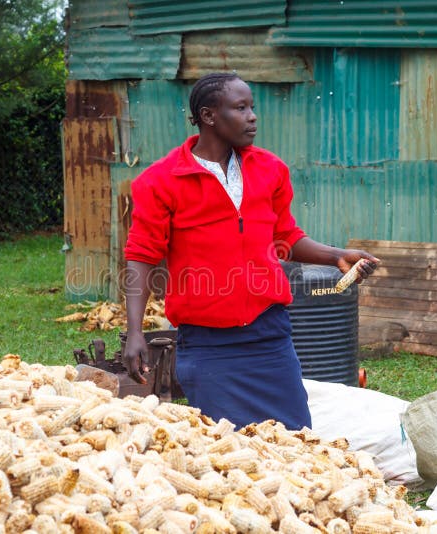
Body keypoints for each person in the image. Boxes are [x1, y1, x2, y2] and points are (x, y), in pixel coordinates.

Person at [123, 72, 379, 430]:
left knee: (295, 440)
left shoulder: (269, 170)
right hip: (208, 344)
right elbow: (142, 255)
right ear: (209, 115)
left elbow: (285, 235)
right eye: (240, 108)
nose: (252, 116)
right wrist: (135, 330)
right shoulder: (160, 181)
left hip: (268, 337)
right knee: (230, 453)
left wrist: (336, 256)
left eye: (252, 107)